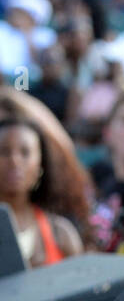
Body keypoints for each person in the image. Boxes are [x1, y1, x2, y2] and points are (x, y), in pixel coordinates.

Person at [0, 114, 85, 267]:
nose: (14, 161)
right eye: (4, 152)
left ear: (41, 165)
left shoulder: (62, 235)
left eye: (25, 152)